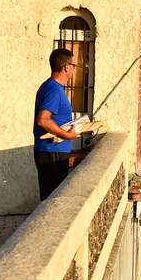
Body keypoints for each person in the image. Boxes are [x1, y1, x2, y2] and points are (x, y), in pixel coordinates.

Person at [34, 49, 101, 200]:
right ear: (66, 67)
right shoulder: (54, 90)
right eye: (74, 65)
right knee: (52, 200)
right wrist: (67, 135)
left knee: (52, 198)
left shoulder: (51, 87)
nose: (74, 69)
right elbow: (43, 120)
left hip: (53, 151)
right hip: (51, 152)